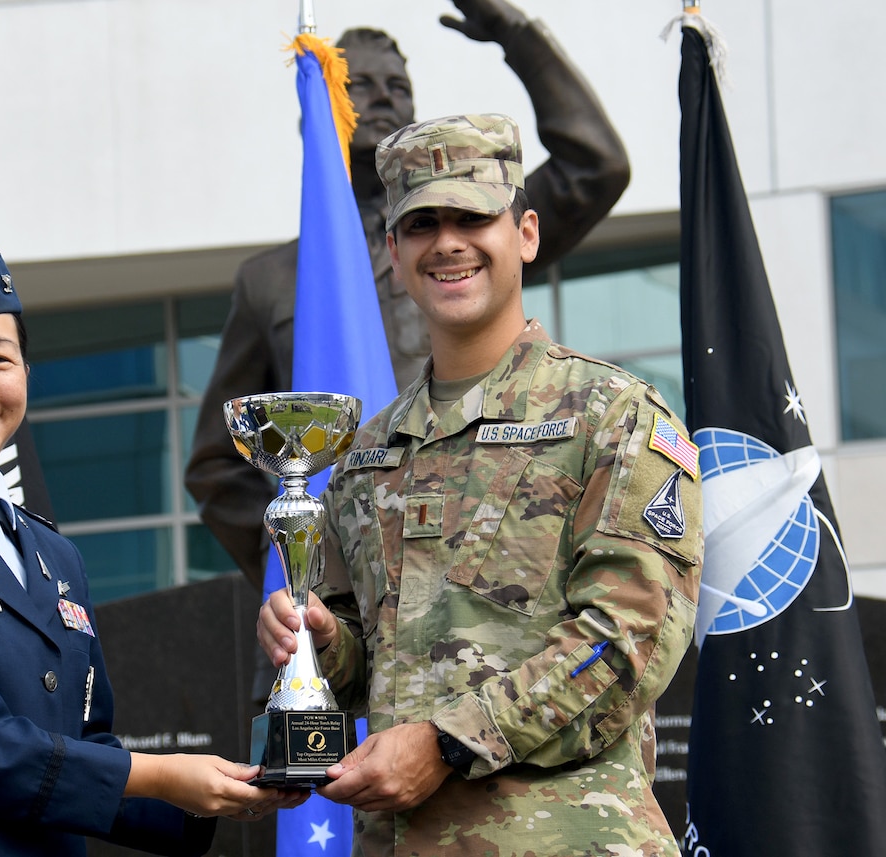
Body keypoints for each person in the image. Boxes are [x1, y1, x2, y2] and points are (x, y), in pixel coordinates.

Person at [256, 114, 702, 856]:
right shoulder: (366, 455)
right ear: (394, 256)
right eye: (423, 223)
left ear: (524, 233)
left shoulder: (613, 417)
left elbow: (626, 642)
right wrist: (322, 642)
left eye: (472, 215)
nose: (449, 242)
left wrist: (449, 742)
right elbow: (368, 665)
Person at [0, 231, 304, 857]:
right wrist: (159, 775)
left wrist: (226, 786)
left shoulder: (49, 553)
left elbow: (79, 747)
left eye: (2, 359)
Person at [186, 0, 632, 590]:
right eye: (359, 85)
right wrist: (307, 567)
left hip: (482, 575)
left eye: (398, 87)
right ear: (320, 112)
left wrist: (516, 36)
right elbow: (219, 465)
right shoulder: (271, 279)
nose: (384, 98)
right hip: (332, 611)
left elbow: (596, 165)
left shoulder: (472, 235)